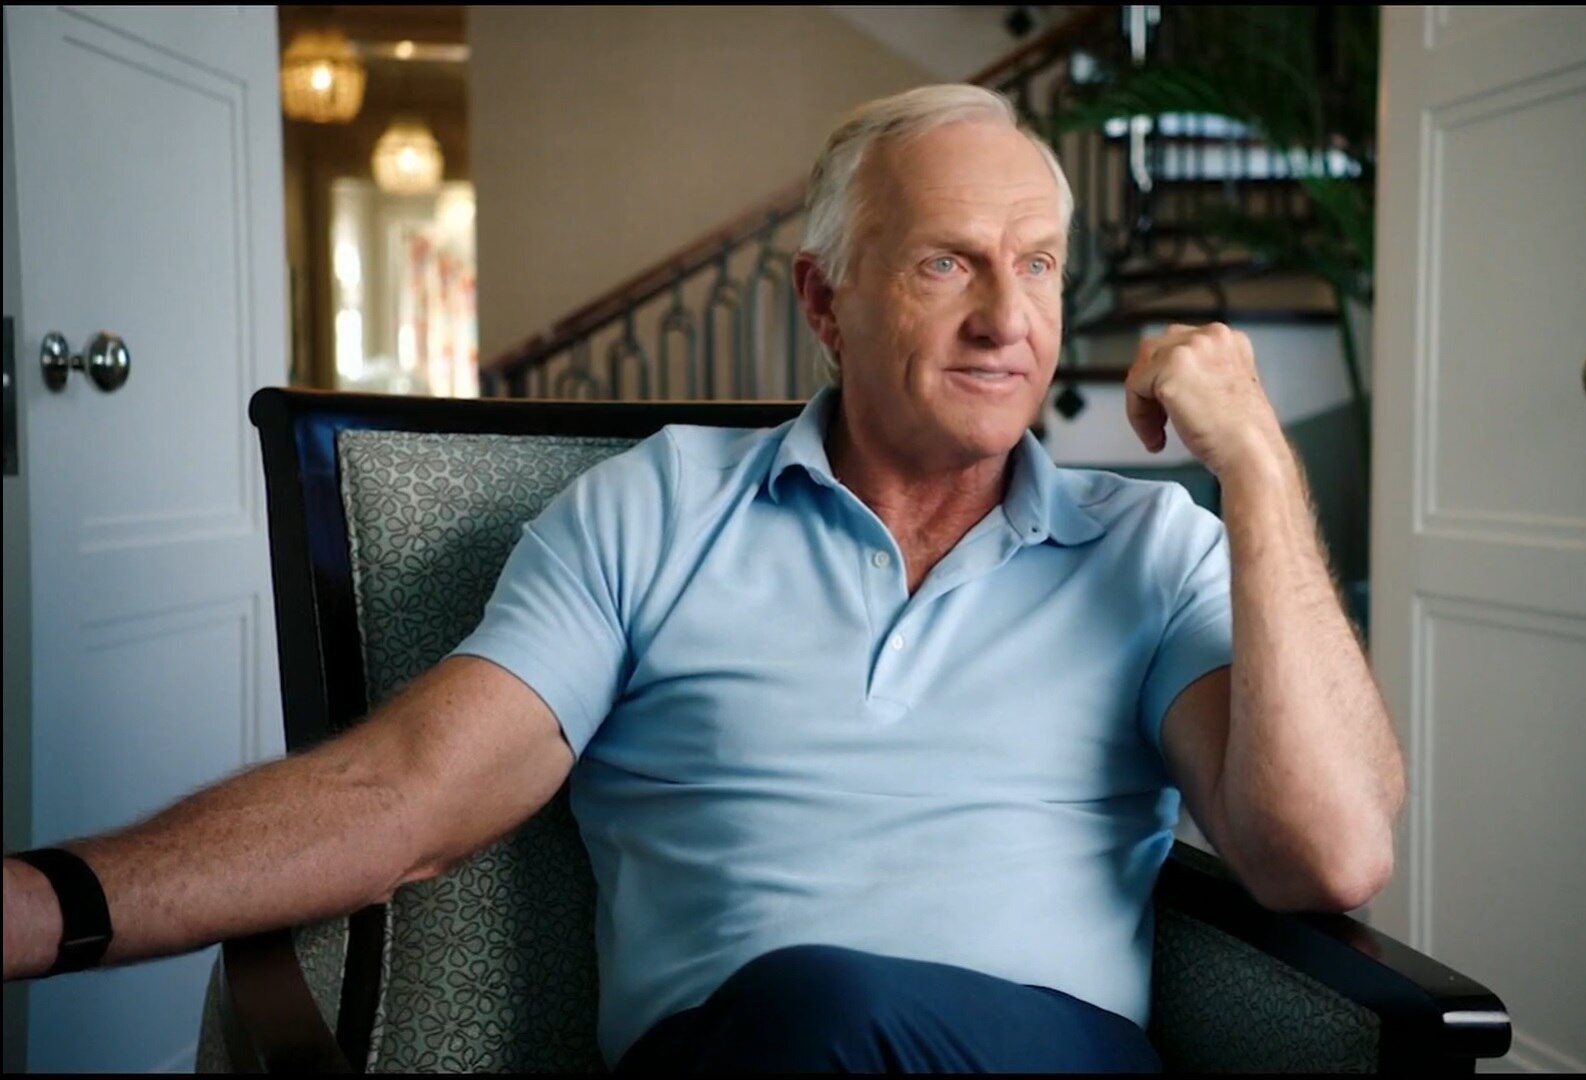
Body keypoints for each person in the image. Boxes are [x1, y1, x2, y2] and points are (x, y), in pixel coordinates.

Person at [2, 83, 1404, 1072]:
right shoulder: (656, 513)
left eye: (1037, 266)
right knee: (810, 1012)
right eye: (946, 263)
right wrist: (47, 901)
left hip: (1048, 1052)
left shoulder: (1150, 548)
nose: (1007, 320)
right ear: (822, 301)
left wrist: (1258, 467)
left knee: (825, 1009)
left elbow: (1329, 853)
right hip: (746, 1051)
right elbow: (405, 799)